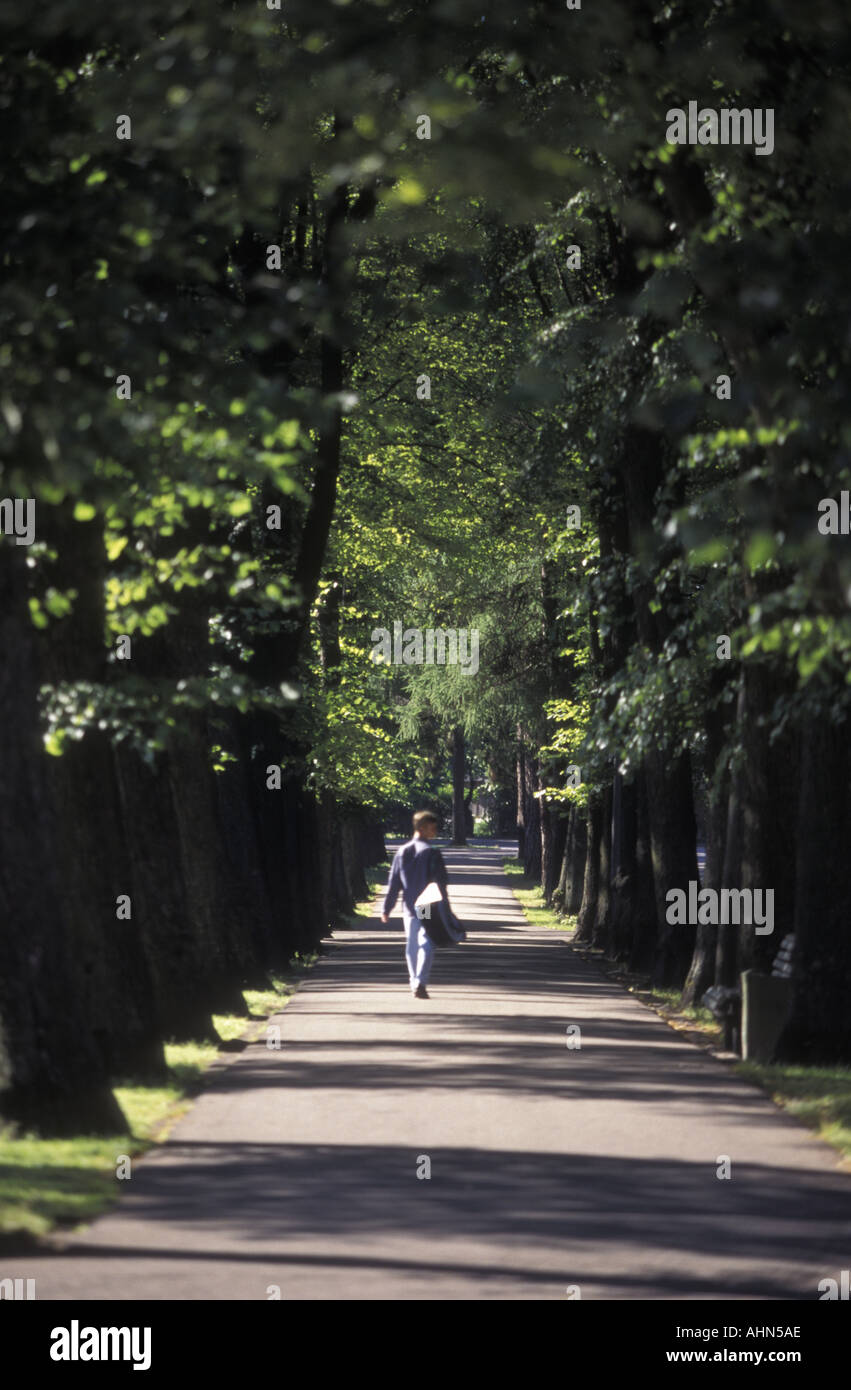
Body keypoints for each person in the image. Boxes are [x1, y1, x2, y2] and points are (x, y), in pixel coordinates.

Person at [381, 810, 450, 999]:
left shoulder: (402, 852)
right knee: (426, 942)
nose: (435, 831)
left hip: (409, 906)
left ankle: (414, 981)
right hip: (427, 904)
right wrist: (445, 907)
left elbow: (394, 882)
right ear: (421, 828)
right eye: (432, 828)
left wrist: (387, 908)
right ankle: (420, 980)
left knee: (411, 944)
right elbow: (441, 881)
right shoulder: (431, 852)